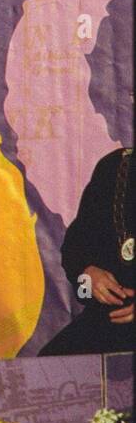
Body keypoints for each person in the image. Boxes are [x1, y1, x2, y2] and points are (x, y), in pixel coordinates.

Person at [40, 148, 134, 356]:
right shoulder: (115, 167)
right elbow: (75, 249)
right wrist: (89, 276)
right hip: (107, 322)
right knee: (47, 369)